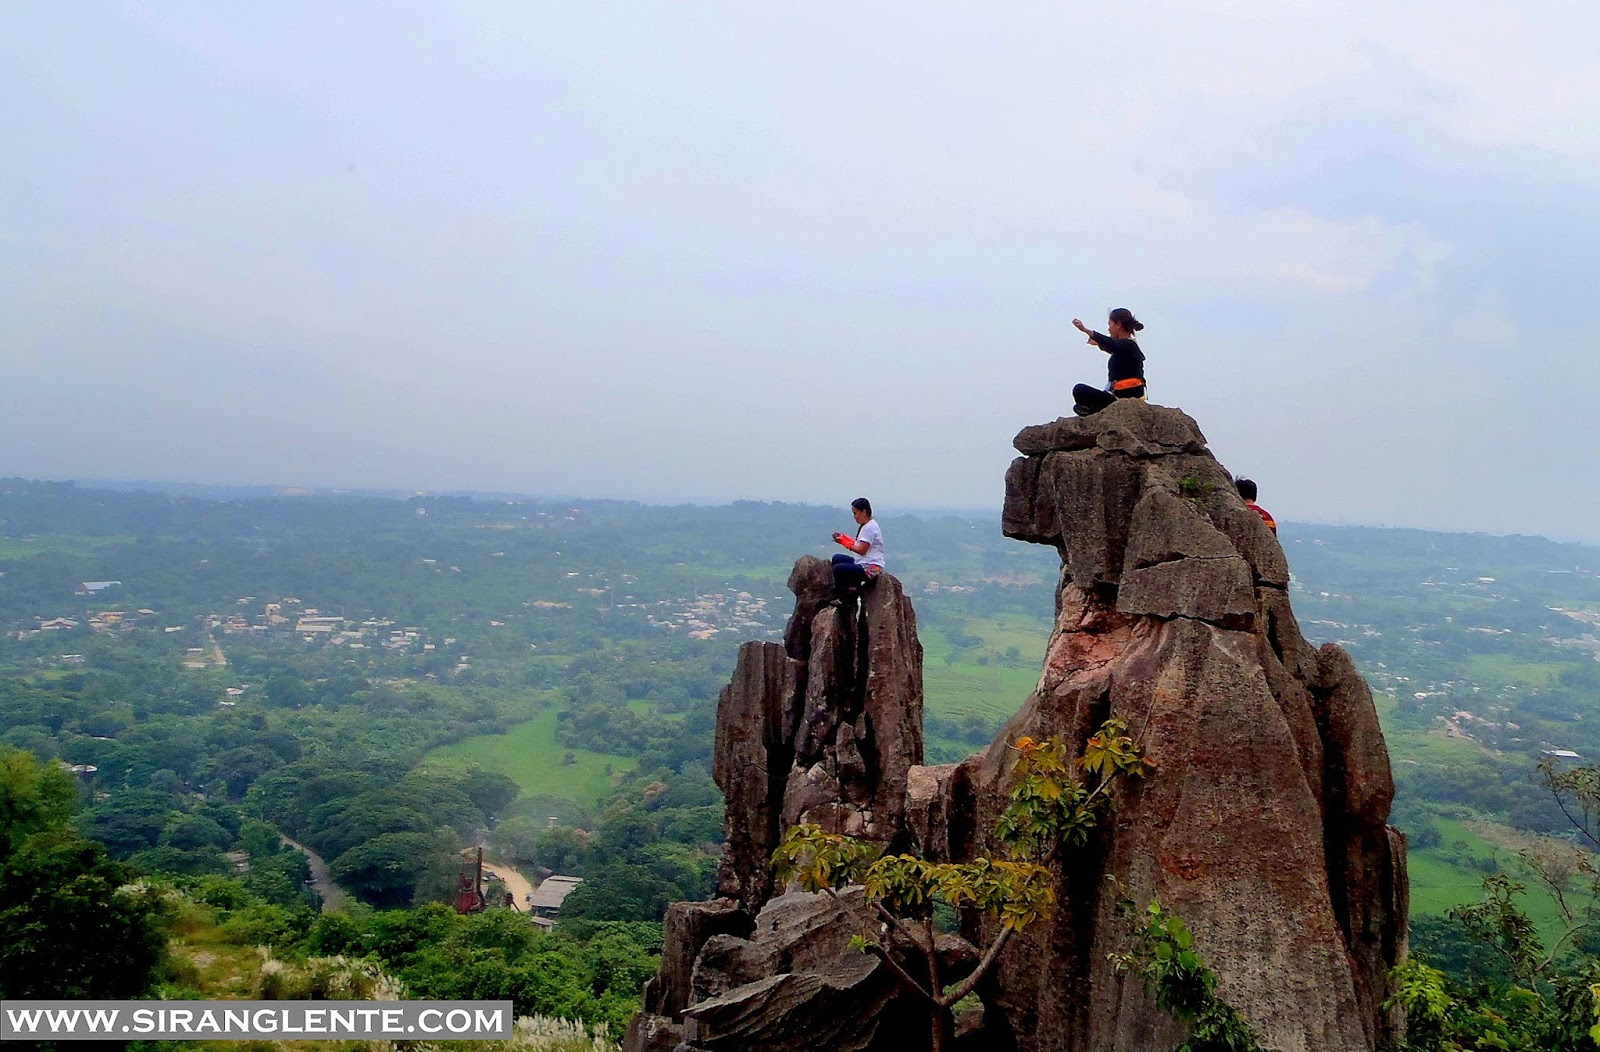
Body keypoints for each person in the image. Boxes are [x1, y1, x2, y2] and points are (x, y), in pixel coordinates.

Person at [1070, 308, 1146, 416]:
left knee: (1079, 390)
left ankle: (1095, 412)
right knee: (1080, 401)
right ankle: (1094, 412)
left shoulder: (1129, 345)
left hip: (1121, 398)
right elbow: (1112, 347)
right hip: (1118, 396)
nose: (1109, 329)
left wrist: (1086, 330)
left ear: (1118, 324)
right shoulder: (1127, 347)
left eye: (1110, 325)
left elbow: (1112, 345)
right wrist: (1098, 344)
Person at [830, 498, 885, 599]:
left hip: (871, 568)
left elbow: (862, 550)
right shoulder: (867, 525)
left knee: (839, 569)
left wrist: (843, 542)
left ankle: (844, 598)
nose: (854, 517)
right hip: (863, 563)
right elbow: (858, 544)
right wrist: (843, 538)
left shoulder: (870, 528)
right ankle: (852, 586)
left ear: (864, 512)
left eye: (855, 513)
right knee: (837, 558)